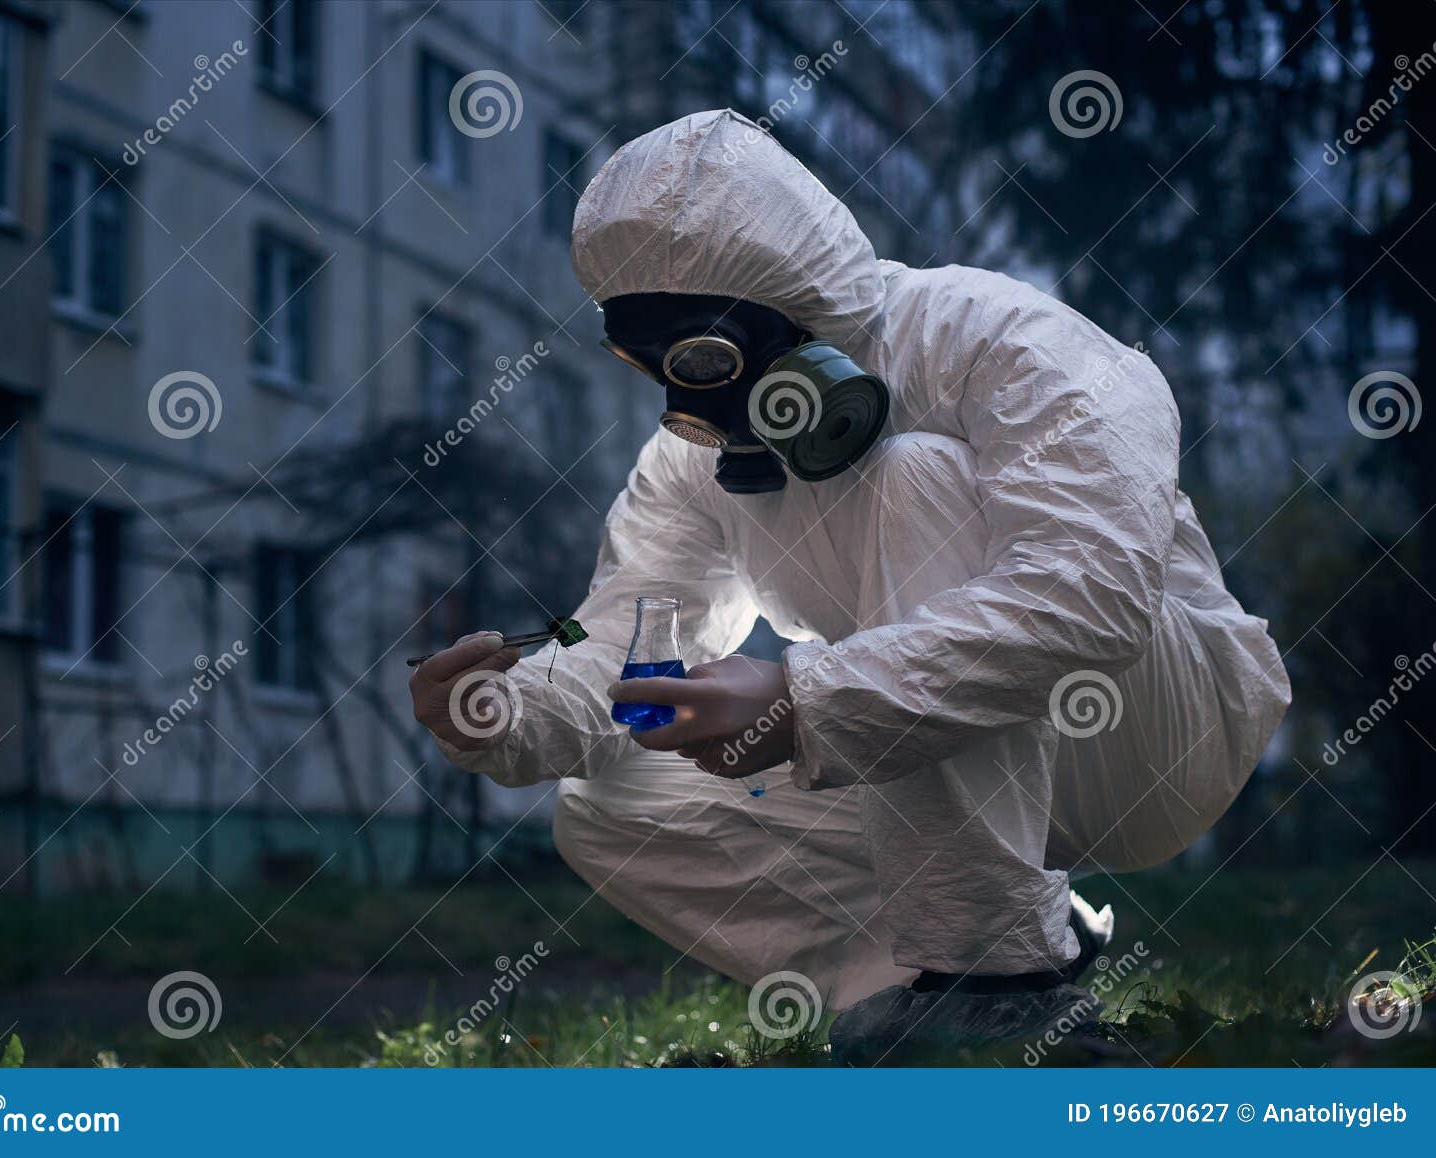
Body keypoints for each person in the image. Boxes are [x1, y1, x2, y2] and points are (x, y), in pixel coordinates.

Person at [407, 110, 1289, 1063]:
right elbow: (627, 631)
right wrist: (515, 704)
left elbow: (1088, 592)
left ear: (794, 303)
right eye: (649, 363)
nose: (683, 399)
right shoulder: (693, 465)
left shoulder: (999, 338)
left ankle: (1004, 985)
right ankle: (929, 996)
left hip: (1149, 729)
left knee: (912, 477)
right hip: (951, 763)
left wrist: (802, 700)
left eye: (703, 358)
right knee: (612, 802)